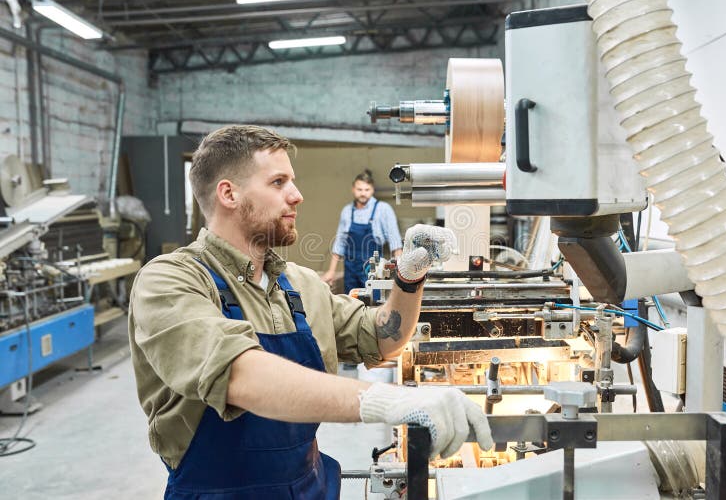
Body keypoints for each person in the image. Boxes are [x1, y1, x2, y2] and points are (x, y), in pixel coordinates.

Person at [128, 125, 492, 499]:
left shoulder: (300, 285)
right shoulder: (168, 280)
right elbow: (238, 375)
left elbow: (383, 338)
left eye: (293, 181)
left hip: (309, 487)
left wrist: (409, 277)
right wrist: (388, 401)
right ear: (229, 193)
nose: (297, 196)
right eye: (278, 182)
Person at [322, 169, 402, 292]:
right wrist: (331, 271)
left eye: (367, 190)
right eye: (359, 190)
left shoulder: (383, 209)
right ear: (353, 189)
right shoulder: (347, 211)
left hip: (374, 269)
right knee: (352, 303)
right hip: (350, 270)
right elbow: (340, 243)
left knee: (373, 304)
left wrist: (400, 273)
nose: (363, 193)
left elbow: (395, 242)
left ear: (372, 190)